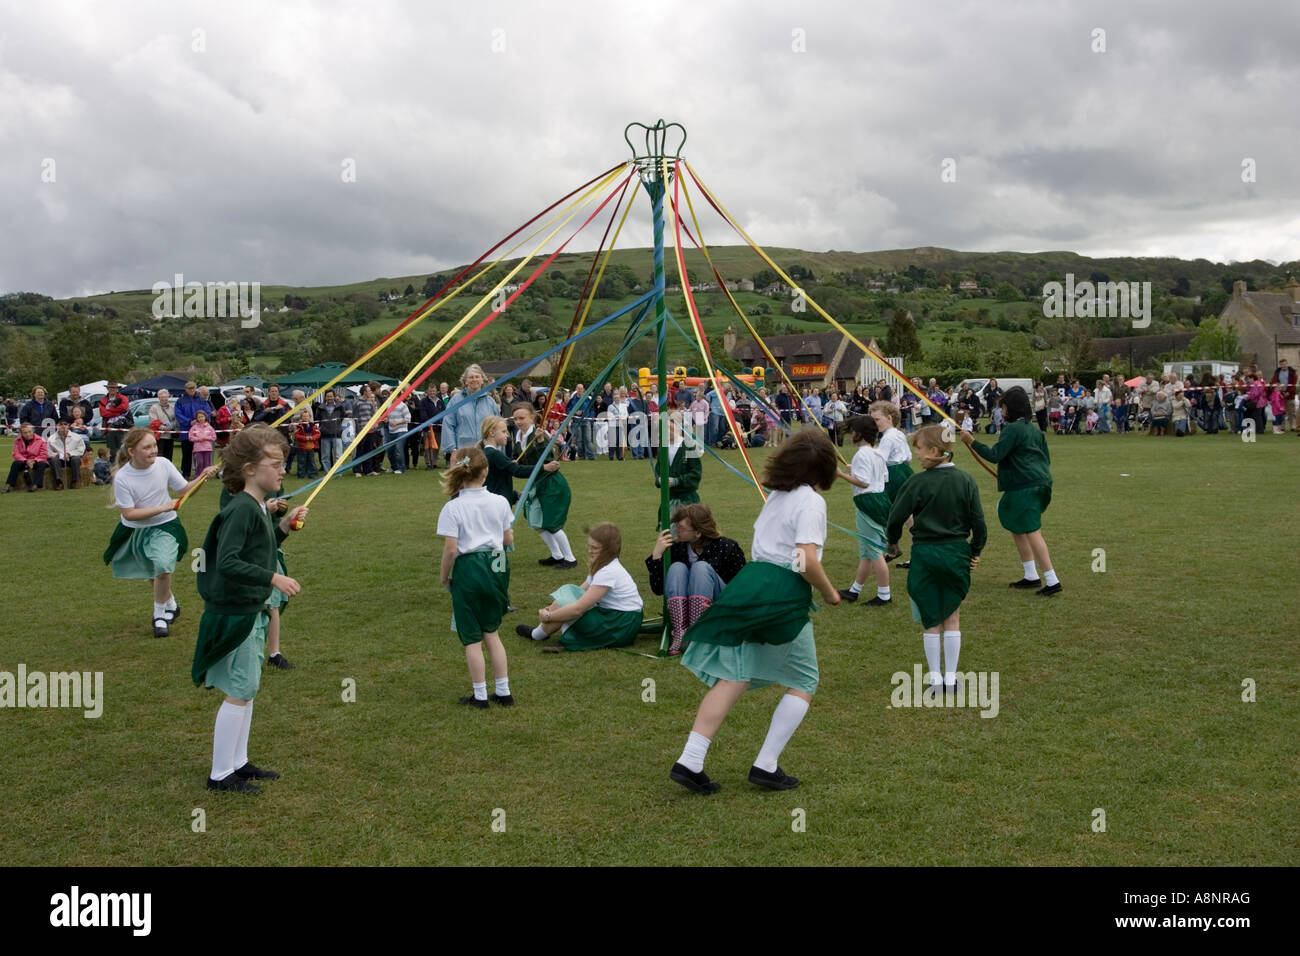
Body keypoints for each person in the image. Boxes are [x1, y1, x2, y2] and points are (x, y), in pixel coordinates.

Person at [669, 427, 841, 795]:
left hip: (750, 583)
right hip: (780, 591)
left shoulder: (777, 496)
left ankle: (690, 760)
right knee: (804, 679)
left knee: (734, 676)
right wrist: (828, 592)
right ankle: (765, 764)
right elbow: (804, 558)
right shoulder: (811, 501)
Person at [191, 426, 307, 793]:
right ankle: (220, 774)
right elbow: (227, 561)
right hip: (236, 610)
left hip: (250, 607)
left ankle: (238, 762)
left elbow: (261, 544)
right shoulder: (242, 508)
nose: (282, 470)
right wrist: (273, 578)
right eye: (275, 464)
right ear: (250, 469)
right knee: (240, 689)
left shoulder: (256, 505)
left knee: (248, 687)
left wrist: (285, 527)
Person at [887, 425, 986, 694]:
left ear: (933, 450)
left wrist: (893, 543)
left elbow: (895, 517)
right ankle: (951, 680)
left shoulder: (917, 482)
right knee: (952, 616)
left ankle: (934, 679)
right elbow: (979, 522)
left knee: (931, 617)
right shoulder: (966, 480)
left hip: (926, 554)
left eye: (918, 448)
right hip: (956, 553)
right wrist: (974, 550)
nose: (915, 454)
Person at [103, 427, 215, 637]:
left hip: (166, 527)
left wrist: (202, 478)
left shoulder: (163, 464)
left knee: (163, 566)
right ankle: (171, 603)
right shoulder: (123, 478)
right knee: (153, 572)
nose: (153, 450)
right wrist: (164, 506)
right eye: (146, 447)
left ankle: (159, 615)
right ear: (131, 451)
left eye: (154, 445)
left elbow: (184, 490)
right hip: (135, 531)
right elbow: (129, 514)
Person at [961, 386, 1060, 598]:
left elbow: (995, 454)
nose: (1001, 410)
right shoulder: (1034, 429)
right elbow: (1043, 458)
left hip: (1026, 487)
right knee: (1019, 527)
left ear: (1010, 408)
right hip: (1038, 483)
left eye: (1003, 406)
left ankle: (1052, 580)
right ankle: (1031, 575)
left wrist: (972, 442)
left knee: (1032, 531)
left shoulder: (1013, 430)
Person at [438, 445, 515, 708]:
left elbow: (451, 549)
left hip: (470, 566)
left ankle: (480, 695)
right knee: (491, 631)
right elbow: (507, 539)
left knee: (472, 637)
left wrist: (444, 576)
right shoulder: (501, 501)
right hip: (497, 564)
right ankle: (503, 691)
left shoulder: (453, 508)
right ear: (486, 471)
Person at [515, 522, 643, 652]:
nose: (590, 551)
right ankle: (539, 634)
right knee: (565, 600)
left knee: (568, 607)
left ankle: (537, 635)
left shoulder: (607, 571)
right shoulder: (604, 565)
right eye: (590, 546)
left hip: (621, 624)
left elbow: (578, 609)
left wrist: (549, 616)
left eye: (595, 548)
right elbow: (578, 592)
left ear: (608, 550)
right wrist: (556, 606)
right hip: (620, 618)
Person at [647, 503, 747, 656]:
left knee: (701, 568)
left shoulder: (727, 547)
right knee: (677, 567)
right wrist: (657, 555)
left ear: (698, 533)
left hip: (719, 605)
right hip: (685, 607)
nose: (676, 530)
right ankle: (680, 633)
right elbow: (658, 588)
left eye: (681, 528)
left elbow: (742, 587)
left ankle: (697, 633)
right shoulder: (677, 547)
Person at [510, 403, 577, 568]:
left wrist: (540, 441)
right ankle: (557, 554)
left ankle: (570, 558)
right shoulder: (518, 435)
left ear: (532, 417)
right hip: (536, 484)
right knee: (535, 521)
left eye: (522, 418)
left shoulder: (541, 434)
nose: (518, 421)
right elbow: (518, 457)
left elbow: (549, 460)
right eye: (516, 418)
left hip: (551, 484)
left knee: (551, 522)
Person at [835, 416, 892, 606]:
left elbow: (863, 481)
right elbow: (882, 478)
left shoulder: (861, 455)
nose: (851, 434)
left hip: (867, 502)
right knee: (867, 551)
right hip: (881, 499)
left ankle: (884, 594)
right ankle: (855, 590)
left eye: (852, 431)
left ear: (858, 434)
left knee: (874, 551)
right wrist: (853, 470)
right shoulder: (877, 454)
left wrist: (842, 474)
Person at [871, 400, 913, 566]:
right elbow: (908, 457)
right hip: (904, 471)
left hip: (895, 475)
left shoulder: (888, 437)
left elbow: (880, 459)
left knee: (898, 515)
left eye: (877, 420)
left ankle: (893, 546)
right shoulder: (899, 434)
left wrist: (867, 456)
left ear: (889, 418)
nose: (875, 424)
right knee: (902, 515)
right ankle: (893, 546)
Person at [440, 364, 499, 466]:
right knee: (464, 481)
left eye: (477, 377)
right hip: (463, 452)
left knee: (484, 481)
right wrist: (453, 449)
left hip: (485, 452)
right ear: (465, 381)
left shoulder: (490, 402)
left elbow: (497, 427)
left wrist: (497, 449)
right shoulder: (456, 400)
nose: (474, 380)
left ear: (482, 380)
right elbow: (448, 424)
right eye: (471, 377)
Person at [652, 412, 702, 516]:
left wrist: (677, 481)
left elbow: (696, 474)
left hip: (688, 503)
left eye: (670, 428)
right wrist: (659, 480)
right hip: (668, 502)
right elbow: (658, 471)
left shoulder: (689, 446)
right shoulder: (663, 449)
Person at [4, 423, 48, 493]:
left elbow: (43, 454)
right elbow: (16, 453)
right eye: (25, 432)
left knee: (42, 464)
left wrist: (34, 461)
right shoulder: (17, 441)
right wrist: (25, 461)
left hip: (37, 460)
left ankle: (36, 484)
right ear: (21, 433)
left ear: (33, 431)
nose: (28, 434)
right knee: (15, 463)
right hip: (23, 460)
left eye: (29, 432)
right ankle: (8, 484)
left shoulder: (41, 440)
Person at [175, 381, 207, 479]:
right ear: (186, 389)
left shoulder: (202, 400)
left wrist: (200, 421)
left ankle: (200, 473)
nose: (192, 390)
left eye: (193, 388)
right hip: (186, 431)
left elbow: (207, 412)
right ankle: (186, 473)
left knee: (200, 454)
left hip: (200, 431)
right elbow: (178, 414)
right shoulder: (180, 401)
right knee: (186, 453)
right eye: (189, 389)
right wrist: (189, 422)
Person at [47, 419, 86, 490]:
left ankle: (75, 481)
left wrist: (70, 454)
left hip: (71, 458)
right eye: (60, 424)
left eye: (65, 424)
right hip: (59, 459)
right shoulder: (51, 439)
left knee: (76, 459)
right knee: (54, 460)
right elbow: (48, 452)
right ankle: (59, 482)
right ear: (57, 426)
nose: (63, 426)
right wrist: (56, 454)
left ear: (68, 426)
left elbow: (81, 449)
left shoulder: (76, 437)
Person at [315, 388, 345, 474]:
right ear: (325, 397)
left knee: (338, 456)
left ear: (334, 397)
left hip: (337, 434)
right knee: (325, 456)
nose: (329, 398)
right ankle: (328, 473)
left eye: (331, 396)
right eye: (328, 396)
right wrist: (322, 429)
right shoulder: (320, 408)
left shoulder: (340, 407)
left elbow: (343, 417)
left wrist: (338, 427)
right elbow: (318, 419)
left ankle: (338, 473)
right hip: (325, 435)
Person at [99, 382, 131, 462]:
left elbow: (124, 407)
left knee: (123, 450)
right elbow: (103, 413)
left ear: (117, 389)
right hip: (110, 428)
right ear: (107, 388)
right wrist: (117, 412)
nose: (112, 389)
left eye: (114, 388)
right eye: (110, 387)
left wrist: (110, 410)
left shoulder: (123, 398)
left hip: (122, 427)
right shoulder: (103, 400)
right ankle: (113, 470)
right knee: (112, 452)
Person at [148, 389, 179, 463]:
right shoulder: (154, 407)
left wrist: (171, 427)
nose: (164, 399)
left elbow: (176, 419)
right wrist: (163, 428)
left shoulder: (172, 407)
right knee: (159, 455)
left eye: (166, 397)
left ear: (168, 397)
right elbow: (153, 421)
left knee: (168, 455)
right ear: (159, 397)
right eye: (162, 397)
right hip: (159, 436)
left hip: (170, 435)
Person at [188, 409, 218, 478]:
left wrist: (206, 438)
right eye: (199, 417)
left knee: (207, 463)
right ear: (197, 418)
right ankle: (198, 475)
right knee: (199, 463)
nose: (201, 418)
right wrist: (198, 439)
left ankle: (206, 475)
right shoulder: (194, 428)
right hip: (198, 449)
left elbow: (214, 437)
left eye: (202, 416)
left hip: (207, 448)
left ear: (205, 417)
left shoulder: (209, 427)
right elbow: (190, 437)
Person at [1271, 359, 1297, 433]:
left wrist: (1289, 392)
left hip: (1290, 395)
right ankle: (1281, 427)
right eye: (1282, 364)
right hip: (1280, 395)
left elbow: (1293, 384)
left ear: (1287, 364)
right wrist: (1279, 391)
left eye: (1285, 364)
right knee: (1281, 412)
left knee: (1292, 411)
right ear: (1280, 365)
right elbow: (1274, 382)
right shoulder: (1277, 372)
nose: (1284, 365)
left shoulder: (1292, 373)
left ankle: (1293, 426)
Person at [292, 409, 320, 478]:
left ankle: (312, 474)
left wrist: (313, 437)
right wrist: (305, 438)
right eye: (304, 416)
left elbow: (318, 434)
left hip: (311, 446)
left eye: (307, 416)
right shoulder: (299, 426)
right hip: (302, 447)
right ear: (301, 417)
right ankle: (301, 475)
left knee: (311, 461)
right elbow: (296, 435)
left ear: (309, 417)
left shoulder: (313, 425)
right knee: (302, 462)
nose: (305, 418)